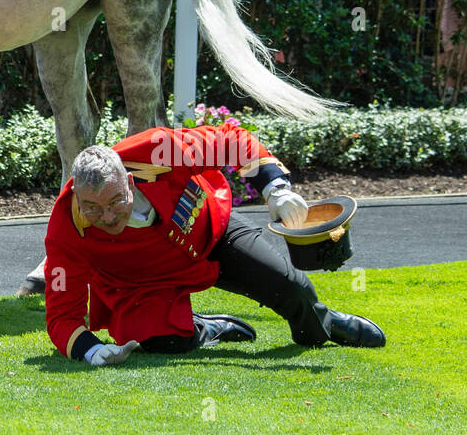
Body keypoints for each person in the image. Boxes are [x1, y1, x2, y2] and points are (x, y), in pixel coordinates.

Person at [43, 136, 384, 365]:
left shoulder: (158, 148)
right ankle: (206, 329)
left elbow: (234, 143)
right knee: (159, 340)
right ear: (77, 197)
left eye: (116, 202)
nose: (106, 217)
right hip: (145, 283)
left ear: (129, 183)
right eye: (92, 208)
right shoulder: (65, 229)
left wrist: (275, 188)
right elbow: (61, 317)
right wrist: (91, 351)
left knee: (293, 288)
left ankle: (323, 323)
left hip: (213, 233)